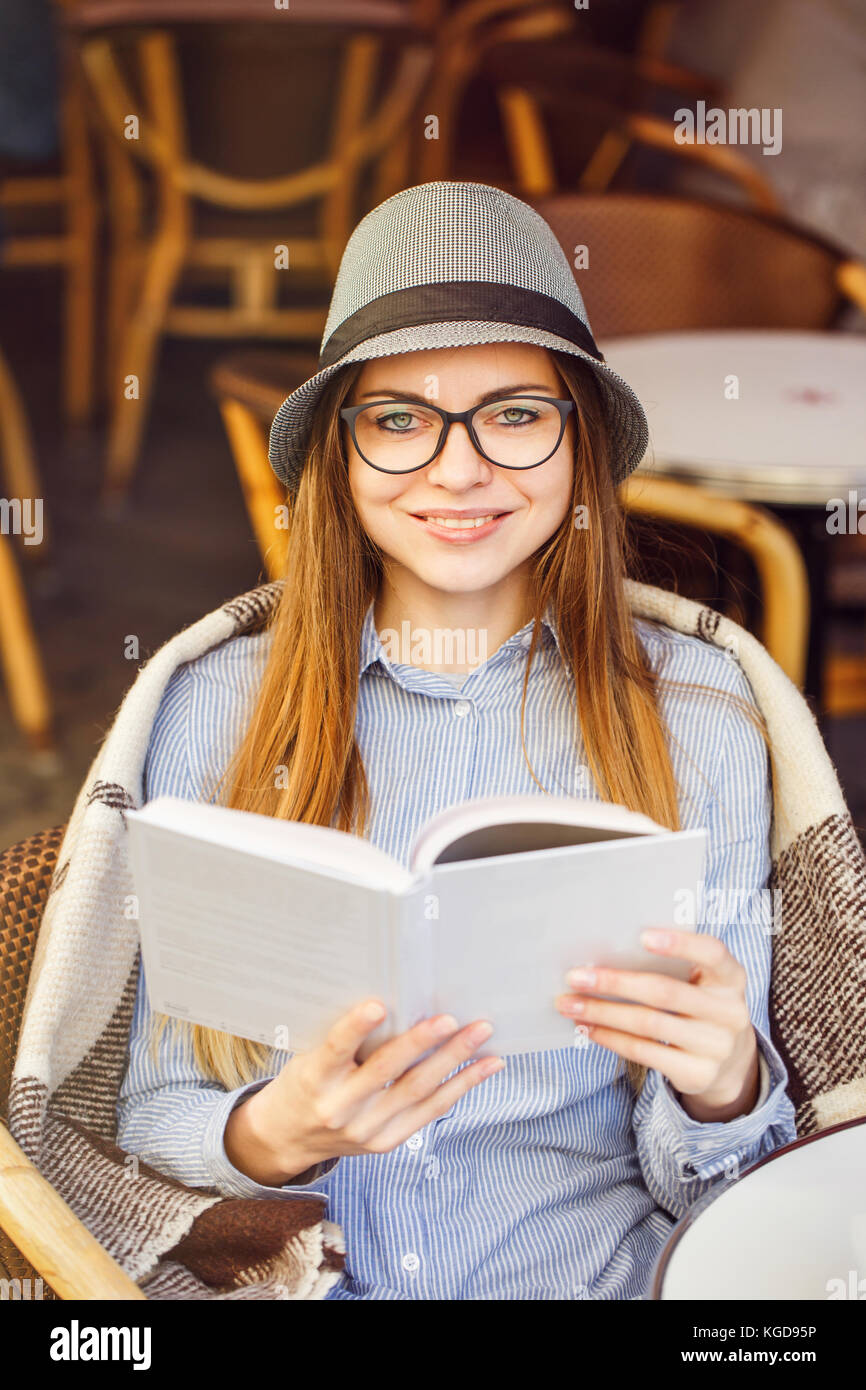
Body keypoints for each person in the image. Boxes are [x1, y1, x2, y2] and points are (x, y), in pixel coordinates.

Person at [117, 181, 797, 1300]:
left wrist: (724, 1085)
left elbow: (726, 1204)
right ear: (339, 455)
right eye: (398, 420)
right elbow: (145, 1118)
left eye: (515, 414)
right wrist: (270, 1135)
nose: (458, 467)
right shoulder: (216, 705)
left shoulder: (699, 708)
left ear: (578, 440)